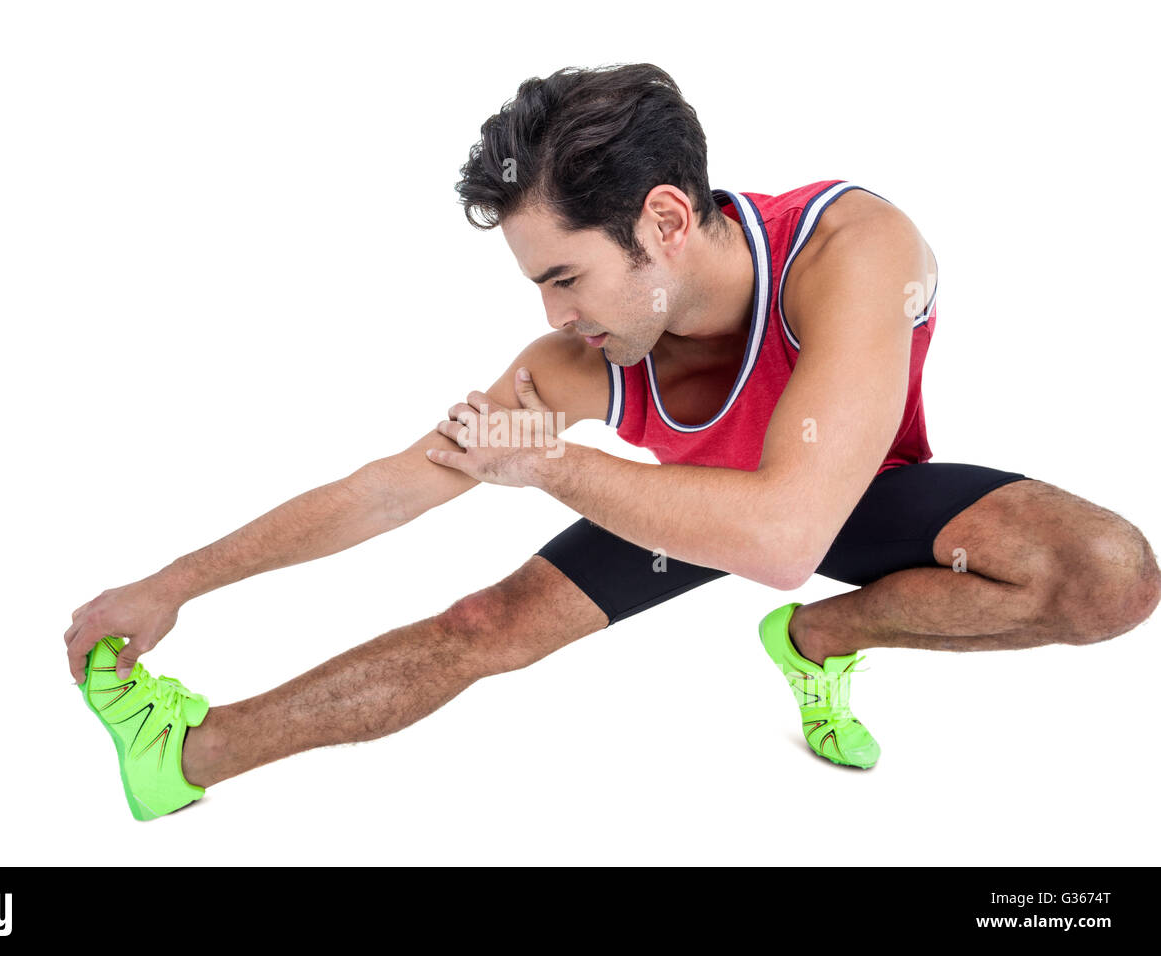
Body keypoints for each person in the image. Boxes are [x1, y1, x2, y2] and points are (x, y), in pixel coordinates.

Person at [65, 63, 1161, 820]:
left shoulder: (851, 247)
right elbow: (393, 486)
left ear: (667, 222)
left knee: (1107, 575)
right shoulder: (579, 361)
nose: (552, 317)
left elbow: (783, 533)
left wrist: (548, 462)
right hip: (693, 505)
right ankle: (180, 752)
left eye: (565, 276)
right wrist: (175, 582)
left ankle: (818, 642)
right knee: (481, 622)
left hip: (845, 491)